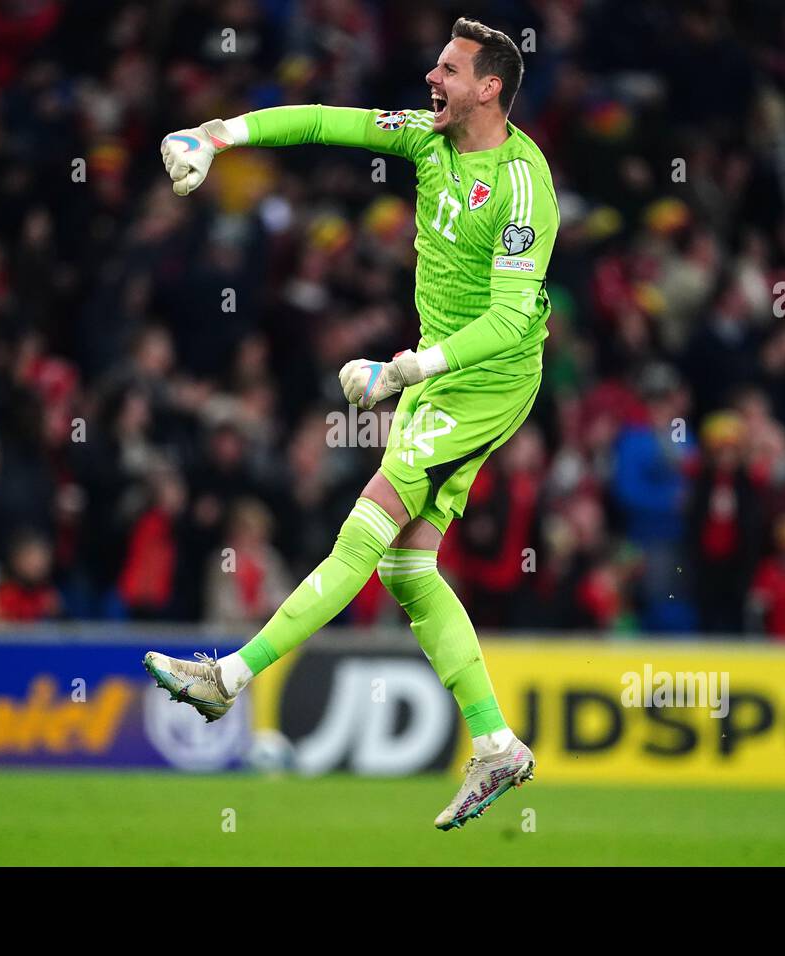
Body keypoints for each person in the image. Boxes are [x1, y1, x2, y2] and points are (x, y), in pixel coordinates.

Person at [145, 18, 553, 830]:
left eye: (448, 68)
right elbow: (325, 121)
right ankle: (497, 743)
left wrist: (407, 369)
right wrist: (216, 133)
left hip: (484, 385)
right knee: (406, 570)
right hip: (442, 379)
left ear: (489, 89)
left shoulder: (521, 184)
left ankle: (228, 678)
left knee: (363, 530)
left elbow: (512, 319)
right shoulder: (428, 140)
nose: (430, 76)